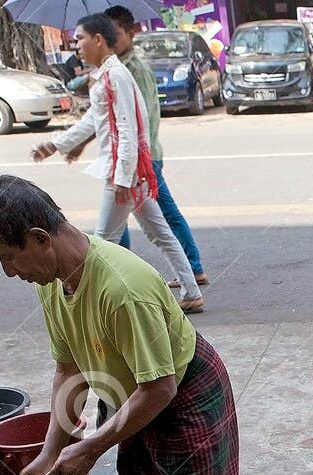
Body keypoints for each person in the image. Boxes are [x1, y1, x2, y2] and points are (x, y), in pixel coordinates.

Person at [0, 175, 263, 475]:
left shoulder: (123, 289)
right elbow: (70, 372)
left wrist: (90, 446)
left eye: (8, 257)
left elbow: (159, 388)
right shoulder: (52, 282)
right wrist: (51, 451)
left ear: (39, 238)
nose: (9, 272)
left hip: (183, 395)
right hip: (133, 397)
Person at [31, 13, 202, 313]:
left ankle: (90, 302)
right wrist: (56, 145)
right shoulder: (108, 75)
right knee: (159, 233)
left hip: (125, 173)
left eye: (81, 39)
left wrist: (123, 179)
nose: (77, 47)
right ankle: (190, 290)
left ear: (98, 39)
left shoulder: (115, 76)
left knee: (100, 242)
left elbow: (127, 131)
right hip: (130, 171)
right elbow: (93, 123)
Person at [106, 6, 209, 293]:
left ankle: (188, 271)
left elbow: (142, 120)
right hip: (142, 158)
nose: (110, 40)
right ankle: (191, 271)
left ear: (131, 32)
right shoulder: (118, 67)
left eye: (115, 34)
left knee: (130, 223)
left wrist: (140, 162)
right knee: (142, 220)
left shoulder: (132, 69)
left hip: (143, 158)